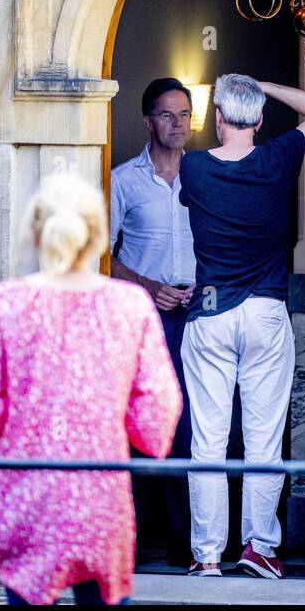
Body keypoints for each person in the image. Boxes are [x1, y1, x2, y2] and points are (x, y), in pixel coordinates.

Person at [0, 172, 182, 605]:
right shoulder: (129, 304)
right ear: (97, 234)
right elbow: (157, 407)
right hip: (100, 496)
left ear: (36, 233)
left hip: (26, 495)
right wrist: (131, 431)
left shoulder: (8, 302)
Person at [179, 74, 305, 578]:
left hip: (211, 312)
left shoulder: (194, 167)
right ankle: (259, 548)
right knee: (264, 439)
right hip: (267, 312)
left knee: (208, 439)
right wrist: (265, 85)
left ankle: (206, 555)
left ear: (218, 119)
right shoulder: (277, 158)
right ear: (262, 119)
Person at [110, 77, 197, 567]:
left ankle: (190, 547)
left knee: (192, 429)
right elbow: (105, 253)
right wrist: (148, 285)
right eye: (167, 115)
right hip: (145, 318)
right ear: (148, 121)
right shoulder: (123, 181)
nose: (178, 123)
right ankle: (131, 545)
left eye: (184, 114)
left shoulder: (205, 176)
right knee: (141, 426)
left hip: (199, 316)